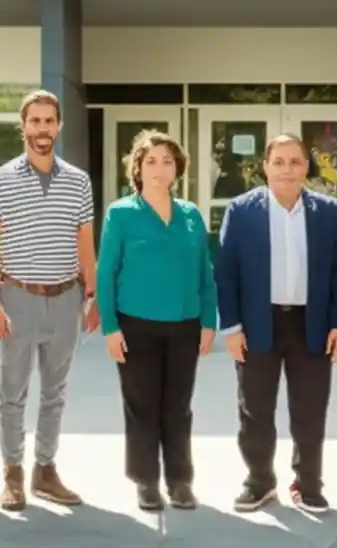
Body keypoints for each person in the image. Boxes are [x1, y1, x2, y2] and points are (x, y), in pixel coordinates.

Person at [216, 133, 337, 514]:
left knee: (310, 409)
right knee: (255, 410)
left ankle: (308, 483)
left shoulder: (326, 212)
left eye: (295, 161)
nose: (287, 169)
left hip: (313, 324)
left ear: (306, 167)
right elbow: (225, 273)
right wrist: (231, 327)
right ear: (265, 166)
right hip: (258, 323)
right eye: (279, 161)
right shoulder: (242, 211)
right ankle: (259, 482)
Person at [0, 90, 99, 512]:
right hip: (17, 298)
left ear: (59, 126)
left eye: (50, 121)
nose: (42, 129)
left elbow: (84, 241)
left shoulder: (78, 181)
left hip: (65, 300)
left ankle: (45, 470)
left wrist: (93, 293)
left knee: (55, 391)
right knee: (12, 393)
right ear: (23, 126)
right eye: (35, 121)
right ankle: (12, 475)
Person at [97, 132, 216, 512]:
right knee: (142, 405)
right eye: (151, 161)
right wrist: (110, 327)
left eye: (167, 161)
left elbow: (205, 272)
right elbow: (105, 274)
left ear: (177, 168)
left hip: (184, 325)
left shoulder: (191, 215)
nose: (159, 169)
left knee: (177, 407)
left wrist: (208, 321)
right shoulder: (121, 213)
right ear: (138, 167)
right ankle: (146, 481)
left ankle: (180, 481)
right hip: (136, 327)